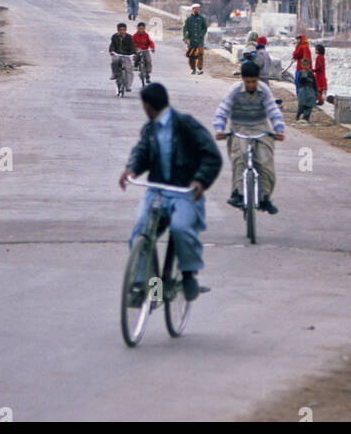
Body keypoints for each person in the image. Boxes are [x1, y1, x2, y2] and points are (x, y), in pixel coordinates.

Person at [119, 81, 222, 302]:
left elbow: (211, 155)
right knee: (141, 234)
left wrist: (200, 181)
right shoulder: (150, 129)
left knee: (180, 228)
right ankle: (146, 287)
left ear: (147, 106)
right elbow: (142, 151)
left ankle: (187, 275)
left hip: (184, 192)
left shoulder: (185, 125)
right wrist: (132, 169)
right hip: (157, 191)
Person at [213, 59, 285, 213]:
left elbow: (272, 110)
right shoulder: (235, 90)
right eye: (248, 82)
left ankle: (265, 197)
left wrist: (279, 129)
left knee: (265, 162)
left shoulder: (264, 90)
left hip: (260, 128)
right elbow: (223, 109)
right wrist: (219, 128)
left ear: (258, 79)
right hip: (239, 128)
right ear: (242, 79)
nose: (251, 85)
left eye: (253, 81)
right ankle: (238, 193)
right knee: (240, 158)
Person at [109, 21, 136, 94]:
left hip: (126, 55)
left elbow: (133, 47)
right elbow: (112, 46)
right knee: (114, 61)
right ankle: (114, 74)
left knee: (129, 69)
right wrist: (111, 51)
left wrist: (134, 53)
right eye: (120, 30)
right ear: (118, 30)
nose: (122, 31)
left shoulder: (129, 37)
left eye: (124, 30)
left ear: (126, 30)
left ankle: (128, 86)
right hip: (117, 54)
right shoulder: (114, 36)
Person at [183, 2, 208, 75]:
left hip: (199, 40)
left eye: (198, 9)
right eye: (196, 9)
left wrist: (201, 35)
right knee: (191, 55)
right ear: (193, 9)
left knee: (200, 54)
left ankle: (199, 68)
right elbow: (185, 29)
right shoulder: (188, 19)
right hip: (191, 40)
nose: (197, 10)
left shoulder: (202, 18)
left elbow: (205, 28)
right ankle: (192, 68)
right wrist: (185, 37)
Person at [295, 56, 317, 123]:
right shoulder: (300, 73)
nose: (305, 67)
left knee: (309, 105)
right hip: (303, 91)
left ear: (309, 65)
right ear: (301, 65)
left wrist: (316, 92)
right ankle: (298, 115)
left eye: (306, 65)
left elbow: (314, 83)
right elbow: (300, 81)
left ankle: (306, 118)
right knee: (301, 105)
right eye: (303, 65)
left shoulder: (311, 73)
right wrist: (304, 74)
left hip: (310, 91)